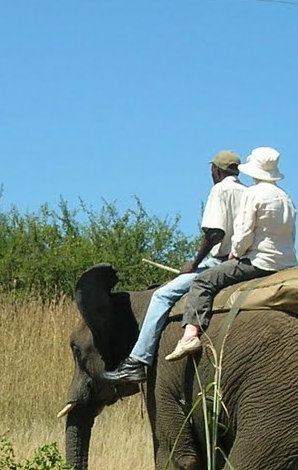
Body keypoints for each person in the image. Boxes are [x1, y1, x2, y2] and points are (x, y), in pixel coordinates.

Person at [100, 150, 245, 384]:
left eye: (212, 170)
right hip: (239, 260)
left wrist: (194, 263)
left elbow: (215, 233)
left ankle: (137, 361)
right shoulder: (247, 192)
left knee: (162, 295)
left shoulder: (220, 190)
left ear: (216, 171)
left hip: (217, 262)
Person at [165, 146, 296, 360]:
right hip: (286, 262)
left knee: (203, 282)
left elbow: (244, 233)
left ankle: (190, 335)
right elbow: (291, 234)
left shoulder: (253, 194)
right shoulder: (285, 197)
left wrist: (235, 253)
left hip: (258, 262)